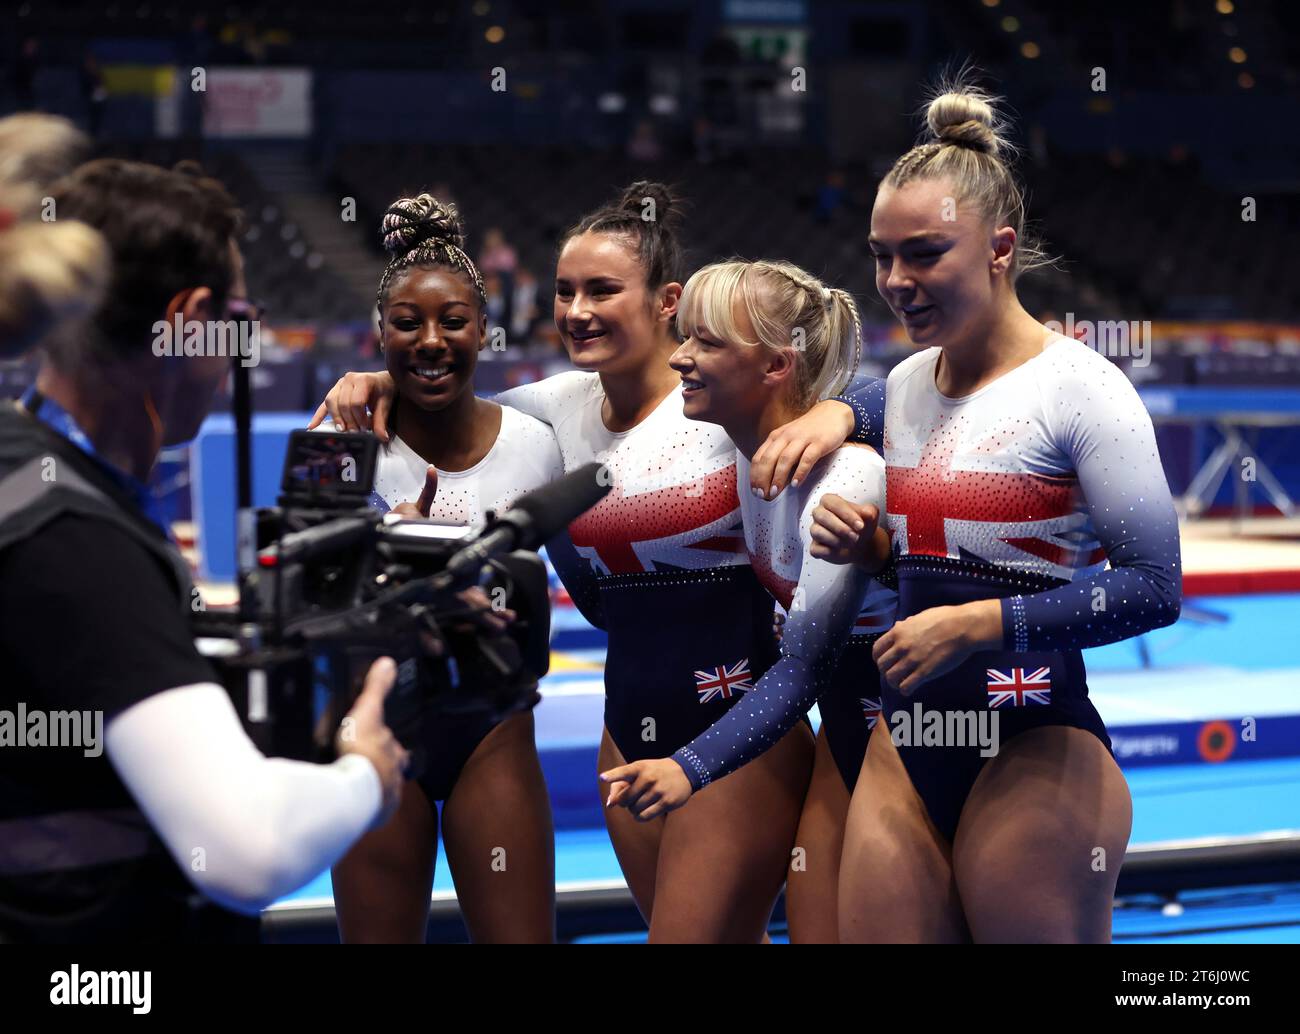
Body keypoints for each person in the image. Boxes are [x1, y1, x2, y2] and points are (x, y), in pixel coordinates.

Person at [802, 76, 1181, 942]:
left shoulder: (1083, 389)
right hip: (909, 747)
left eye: (926, 253)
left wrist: (977, 625)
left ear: (1000, 248)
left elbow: (1155, 588)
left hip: (1036, 740)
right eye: (881, 254)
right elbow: (941, 551)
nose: (896, 280)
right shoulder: (899, 388)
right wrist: (877, 549)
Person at [0, 158, 408, 943]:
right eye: (241, 322)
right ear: (191, 322)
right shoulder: (77, 537)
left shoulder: (28, 471)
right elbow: (246, 850)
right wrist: (369, 772)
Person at [599, 258, 896, 942]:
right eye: (685, 337)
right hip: (843, 741)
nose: (680, 357)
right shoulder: (738, 453)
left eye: (707, 342)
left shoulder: (846, 474)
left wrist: (688, 768)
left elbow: (803, 669)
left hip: (909, 736)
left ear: (776, 367)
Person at [326, 193, 561, 944]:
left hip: (491, 732)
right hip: (373, 734)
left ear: (484, 331)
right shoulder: (338, 438)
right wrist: (389, 548)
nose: (431, 340)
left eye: (452, 321)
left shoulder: (537, 445)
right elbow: (308, 597)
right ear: (379, 333)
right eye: (407, 322)